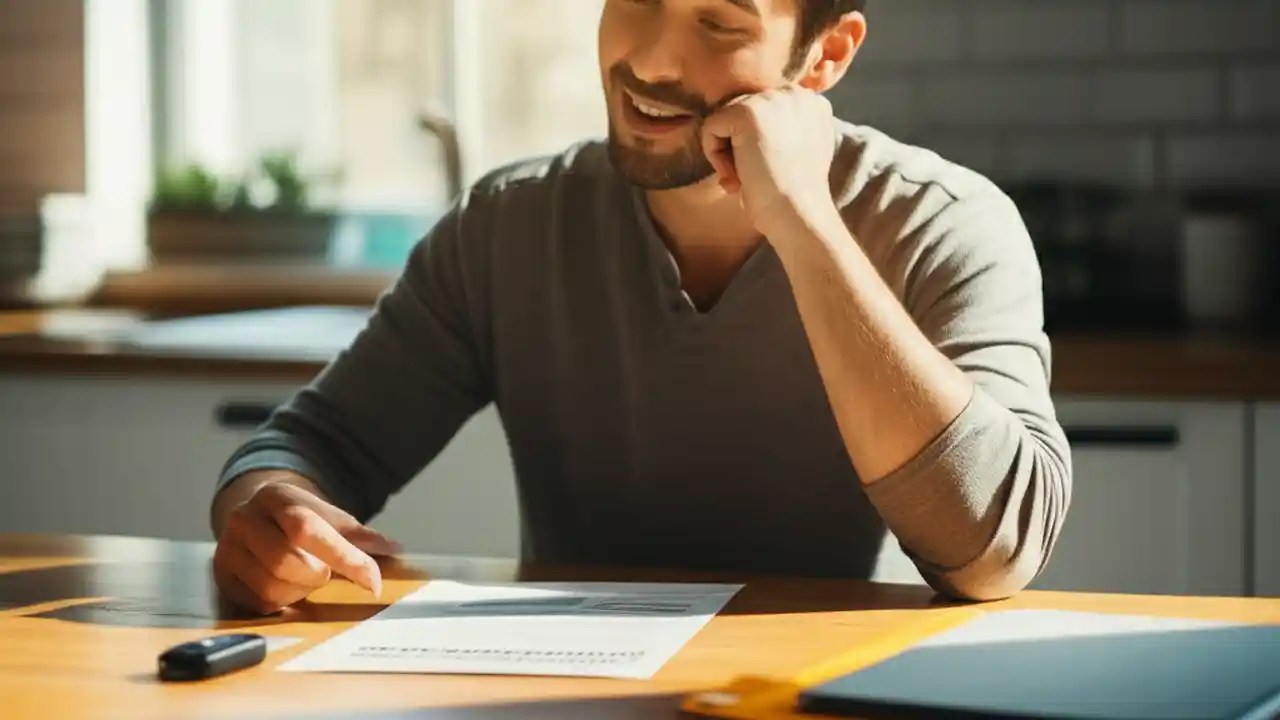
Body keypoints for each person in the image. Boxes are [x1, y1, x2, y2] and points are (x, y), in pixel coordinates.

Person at [211, 0, 1071, 615]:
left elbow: (993, 556)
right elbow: (308, 445)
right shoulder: (509, 226)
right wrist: (269, 508)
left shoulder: (944, 223)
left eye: (718, 23)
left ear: (826, 56)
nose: (652, 61)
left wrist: (803, 220)